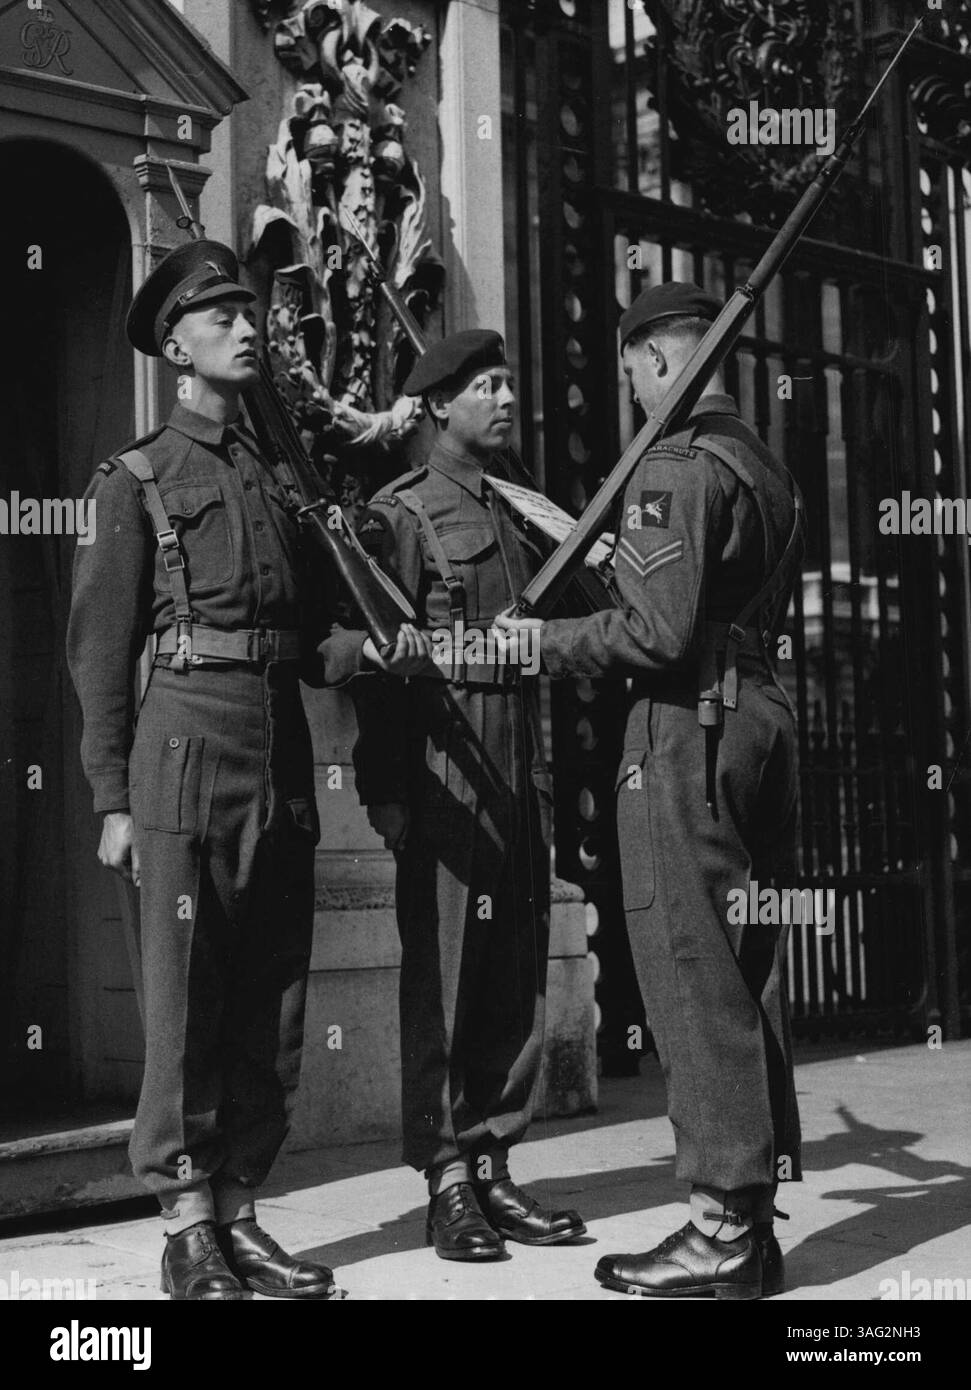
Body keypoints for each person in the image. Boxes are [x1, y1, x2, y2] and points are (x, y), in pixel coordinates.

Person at [66, 238, 427, 1300]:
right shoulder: (135, 479)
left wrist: (380, 652)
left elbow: (308, 636)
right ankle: (184, 1222)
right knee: (188, 995)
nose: (243, 329)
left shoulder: (279, 483)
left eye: (245, 314)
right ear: (175, 344)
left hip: (278, 747)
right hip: (183, 749)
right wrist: (111, 796)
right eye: (220, 317)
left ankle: (241, 1208)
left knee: (272, 993)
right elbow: (95, 654)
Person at [497, 282, 805, 1299]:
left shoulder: (670, 464)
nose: (630, 391)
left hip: (686, 728)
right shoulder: (756, 463)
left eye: (632, 370)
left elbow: (656, 634)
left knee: (687, 966)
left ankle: (717, 1230)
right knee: (741, 970)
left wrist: (537, 641)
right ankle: (747, 1220)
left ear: (660, 361)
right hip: (757, 710)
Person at [341, 329, 586, 1260]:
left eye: (508, 381)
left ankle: (493, 1164)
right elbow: (379, 668)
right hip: (445, 760)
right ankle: (445, 1175)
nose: (505, 396)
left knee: (513, 973)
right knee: (443, 975)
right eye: (486, 385)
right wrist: (386, 793)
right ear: (438, 405)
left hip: (517, 760)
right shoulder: (400, 512)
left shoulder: (521, 509)